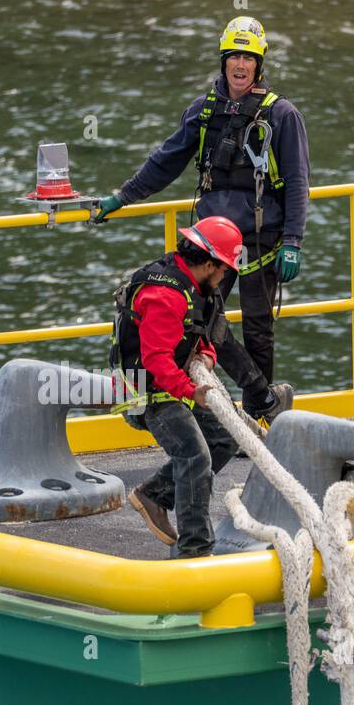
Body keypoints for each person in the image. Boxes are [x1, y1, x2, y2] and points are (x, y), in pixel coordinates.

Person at [95, 15, 308, 425]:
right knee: (199, 321)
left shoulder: (282, 115)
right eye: (234, 57)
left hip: (263, 239)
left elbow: (298, 181)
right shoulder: (205, 111)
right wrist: (122, 196)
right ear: (223, 61)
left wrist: (293, 242)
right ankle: (249, 402)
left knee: (259, 327)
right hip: (211, 245)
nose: (240, 65)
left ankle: (259, 416)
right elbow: (166, 161)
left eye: (249, 57)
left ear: (259, 64)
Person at [109, 216, 244, 558]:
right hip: (148, 393)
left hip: (175, 384)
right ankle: (195, 550)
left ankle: (155, 495)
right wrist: (191, 390)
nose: (227, 274)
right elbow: (155, 359)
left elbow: (205, 333)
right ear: (210, 263)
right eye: (225, 267)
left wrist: (208, 359)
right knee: (194, 456)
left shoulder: (198, 286)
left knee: (224, 439)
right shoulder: (166, 296)